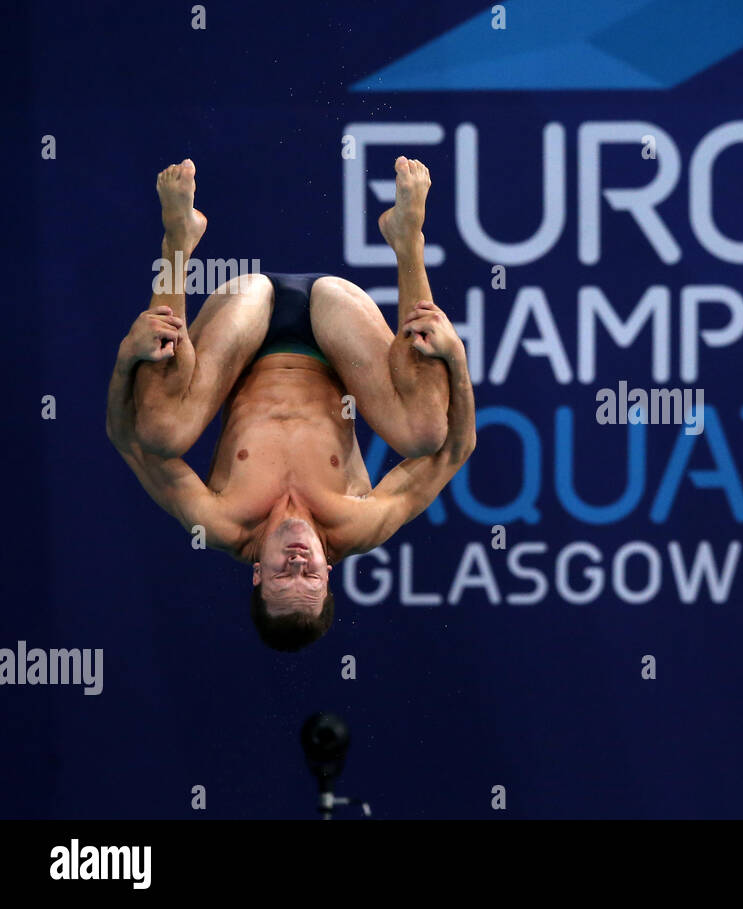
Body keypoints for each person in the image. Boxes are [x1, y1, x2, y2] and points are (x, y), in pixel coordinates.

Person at [106, 157, 475, 651]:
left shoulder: (219, 521)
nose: (298, 564)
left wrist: (127, 357)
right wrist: (456, 356)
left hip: (245, 323)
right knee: (425, 432)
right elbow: (455, 450)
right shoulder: (359, 522)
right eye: (311, 579)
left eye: (285, 578)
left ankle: (178, 238)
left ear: (258, 575)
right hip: (335, 324)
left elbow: (127, 441)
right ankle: (407, 238)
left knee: (160, 433)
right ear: (329, 575)